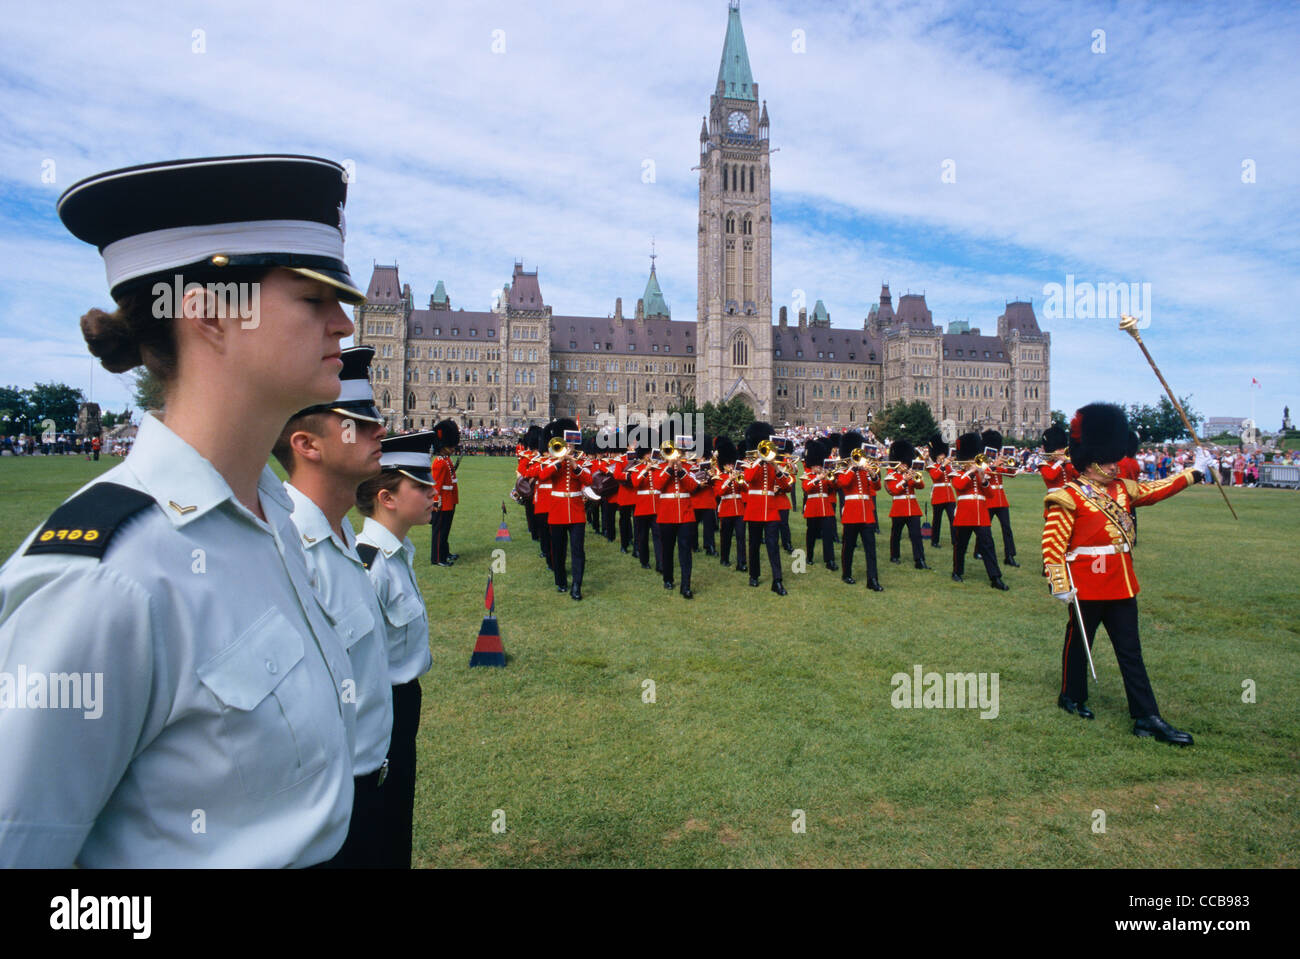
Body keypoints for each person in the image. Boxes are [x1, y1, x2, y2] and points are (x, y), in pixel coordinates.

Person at [0, 154, 365, 867]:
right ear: (209, 315)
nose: (344, 324)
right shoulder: (109, 579)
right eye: (313, 298)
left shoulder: (271, 520)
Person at [274, 346, 394, 868]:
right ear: (307, 445)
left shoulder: (341, 533)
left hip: (368, 787)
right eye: (358, 424)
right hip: (325, 811)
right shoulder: (288, 549)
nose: (380, 433)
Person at [1043, 403, 1214, 745]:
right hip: (1087, 584)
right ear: (1090, 459)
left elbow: (1157, 489)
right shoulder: (1068, 496)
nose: (1114, 464)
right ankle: (1071, 695)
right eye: (1108, 459)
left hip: (1121, 583)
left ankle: (1146, 716)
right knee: (1079, 644)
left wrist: (1194, 472)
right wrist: (1059, 583)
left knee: (1131, 652)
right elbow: (1052, 546)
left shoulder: (1123, 488)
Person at [355, 431, 438, 866]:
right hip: (379, 708)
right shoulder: (369, 565)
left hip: (403, 704)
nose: (433, 493)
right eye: (420, 487)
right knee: (379, 827)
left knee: (397, 821)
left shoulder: (397, 552)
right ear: (387, 497)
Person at [538, 419, 591, 600]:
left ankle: (576, 585)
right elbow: (543, 475)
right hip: (558, 510)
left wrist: (575, 464)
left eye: (571, 442)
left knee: (578, 550)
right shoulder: (553, 458)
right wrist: (560, 460)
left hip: (576, 510)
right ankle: (560, 580)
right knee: (558, 549)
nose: (569, 445)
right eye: (566, 442)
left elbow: (589, 479)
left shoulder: (581, 458)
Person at [950, 432, 1008, 589]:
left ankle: (995, 578)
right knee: (960, 545)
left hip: (981, 515)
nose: (972, 462)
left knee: (988, 546)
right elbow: (959, 486)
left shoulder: (981, 472)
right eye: (970, 459)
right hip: (964, 514)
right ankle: (957, 571)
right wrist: (970, 473)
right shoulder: (956, 472)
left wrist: (983, 479)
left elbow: (990, 495)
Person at [742, 421, 793, 595]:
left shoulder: (773, 464)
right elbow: (748, 478)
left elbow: (787, 487)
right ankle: (754, 575)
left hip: (771, 510)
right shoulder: (750, 463)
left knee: (773, 546)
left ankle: (777, 580)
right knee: (754, 545)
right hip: (755, 509)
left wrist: (776, 466)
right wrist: (759, 460)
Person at [834, 431, 884, 590]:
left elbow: (877, 486)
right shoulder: (842, 469)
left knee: (870, 548)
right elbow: (843, 483)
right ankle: (846, 573)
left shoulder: (865, 469)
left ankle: (872, 579)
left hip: (867, 513)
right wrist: (853, 468)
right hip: (851, 512)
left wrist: (872, 473)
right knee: (848, 546)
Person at [652, 444, 698, 598]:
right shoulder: (659, 468)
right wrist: (670, 468)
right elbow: (658, 485)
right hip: (667, 514)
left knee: (685, 550)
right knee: (667, 549)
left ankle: (686, 586)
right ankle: (668, 578)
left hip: (685, 514)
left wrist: (682, 469)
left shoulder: (688, 468)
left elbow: (692, 487)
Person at [885, 439, 929, 570]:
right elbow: (894, 490)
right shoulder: (891, 474)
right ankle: (894, 555)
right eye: (902, 463)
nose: (904, 465)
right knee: (896, 534)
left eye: (905, 463)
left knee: (916, 535)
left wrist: (914, 476)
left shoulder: (910, 472)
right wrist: (904, 480)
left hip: (913, 508)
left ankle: (919, 560)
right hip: (899, 508)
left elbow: (921, 486)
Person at [801, 438, 838, 570]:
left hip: (826, 507)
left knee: (828, 535)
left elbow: (834, 487)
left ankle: (830, 560)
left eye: (819, 465)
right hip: (813, 507)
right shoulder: (807, 475)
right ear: (811, 465)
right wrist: (817, 478)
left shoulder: (825, 474)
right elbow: (806, 488)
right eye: (816, 465)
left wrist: (831, 477)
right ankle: (809, 556)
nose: (818, 467)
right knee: (811, 533)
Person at [713, 436, 747, 572]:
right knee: (725, 536)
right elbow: (719, 493)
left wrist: (740, 479)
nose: (730, 466)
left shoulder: (738, 475)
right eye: (728, 464)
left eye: (731, 464)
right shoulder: (719, 477)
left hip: (739, 509)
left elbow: (746, 489)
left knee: (741, 537)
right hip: (726, 509)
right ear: (723, 464)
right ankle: (724, 558)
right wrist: (728, 480)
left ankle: (742, 562)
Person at [428, 419, 458, 566]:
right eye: (450, 446)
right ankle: (437, 558)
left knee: (445, 530)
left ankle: (445, 553)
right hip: (442, 502)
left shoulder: (446, 460)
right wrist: (435, 501)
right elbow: (436, 484)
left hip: (449, 500)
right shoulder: (439, 462)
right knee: (439, 531)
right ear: (442, 445)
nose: (453, 449)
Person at [926, 435, 955, 547]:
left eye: (944, 454)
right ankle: (934, 541)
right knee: (937, 520)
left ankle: (955, 541)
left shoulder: (949, 466)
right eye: (942, 455)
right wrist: (943, 465)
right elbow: (936, 476)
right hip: (938, 495)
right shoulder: (932, 466)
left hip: (949, 495)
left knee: (953, 520)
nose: (944, 456)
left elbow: (954, 476)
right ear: (937, 456)